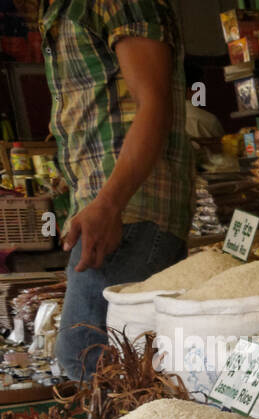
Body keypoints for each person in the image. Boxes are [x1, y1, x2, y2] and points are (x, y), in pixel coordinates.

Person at [43, 0, 194, 380]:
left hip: (127, 212)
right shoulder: (58, 9)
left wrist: (109, 205)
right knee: (104, 371)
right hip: (106, 208)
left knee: (89, 363)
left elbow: (154, 103)